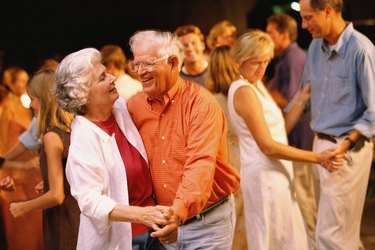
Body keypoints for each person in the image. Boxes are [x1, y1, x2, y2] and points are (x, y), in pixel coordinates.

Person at [227, 29, 344, 249]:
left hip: (276, 173)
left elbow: (281, 128)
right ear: (240, 60)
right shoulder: (243, 91)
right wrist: (317, 157)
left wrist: (302, 96)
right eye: (255, 63)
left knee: (286, 234)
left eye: (265, 62)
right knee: (274, 236)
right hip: (264, 176)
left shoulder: (255, 84)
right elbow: (268, 146)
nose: (262, 69)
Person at [127, 30, 240, 250]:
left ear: (173, 62)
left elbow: (200, 165)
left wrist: (176, 215)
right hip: (163, 226)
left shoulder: (201, 104)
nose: (140, 72)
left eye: (148, 64)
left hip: (208, 224)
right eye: (136, 64)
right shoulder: (134, 106)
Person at [54, 48, 174, 250]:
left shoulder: (119, 107)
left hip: (153, 231)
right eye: (102, 78)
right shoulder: (84, 139)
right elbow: (90, 201)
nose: (113, 77)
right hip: (123, 241)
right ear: (84, 96)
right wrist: (142, 214)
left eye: (107, 72)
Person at [297, 0, 375, 248]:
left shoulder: (361, 49)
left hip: (346, 150)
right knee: (340, 233)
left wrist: (344, 146)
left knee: (330, 237)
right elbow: (307, 97)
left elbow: (374, 111)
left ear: (328, 11)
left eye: (308, 17)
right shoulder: (314, 47)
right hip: (319, 146)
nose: (303, 24)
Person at [8, 69, 80, 250]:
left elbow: (56, 196)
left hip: (64, 220)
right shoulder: (73, 128)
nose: (30, 105)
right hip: (78, 216)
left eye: (32, 99)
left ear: (44, 100)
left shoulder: (51, 137)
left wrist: (23, 207)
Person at [265, 13, 317, 248]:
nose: (267, 38)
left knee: (307, 203)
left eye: (270, 33)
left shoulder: (293, 59)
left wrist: (264, 92)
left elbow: (293, 100)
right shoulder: (284, 59)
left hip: (300, 141)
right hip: (294, 142)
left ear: (283, 35)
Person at [206, 45, 246, 249]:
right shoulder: (242, 95)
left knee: (232, 217)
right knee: (245, 217)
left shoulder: (209, 100)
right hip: (243, 158)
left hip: (222, 161)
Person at [0, 66, 42, 250]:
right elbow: (6, 145)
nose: (26, 85)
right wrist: (24, 165)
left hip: (31, 175)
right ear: (10, 83)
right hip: (17, 178)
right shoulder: (8, 109)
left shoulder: (23, 104)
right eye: (22, 82)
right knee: (23, 235)